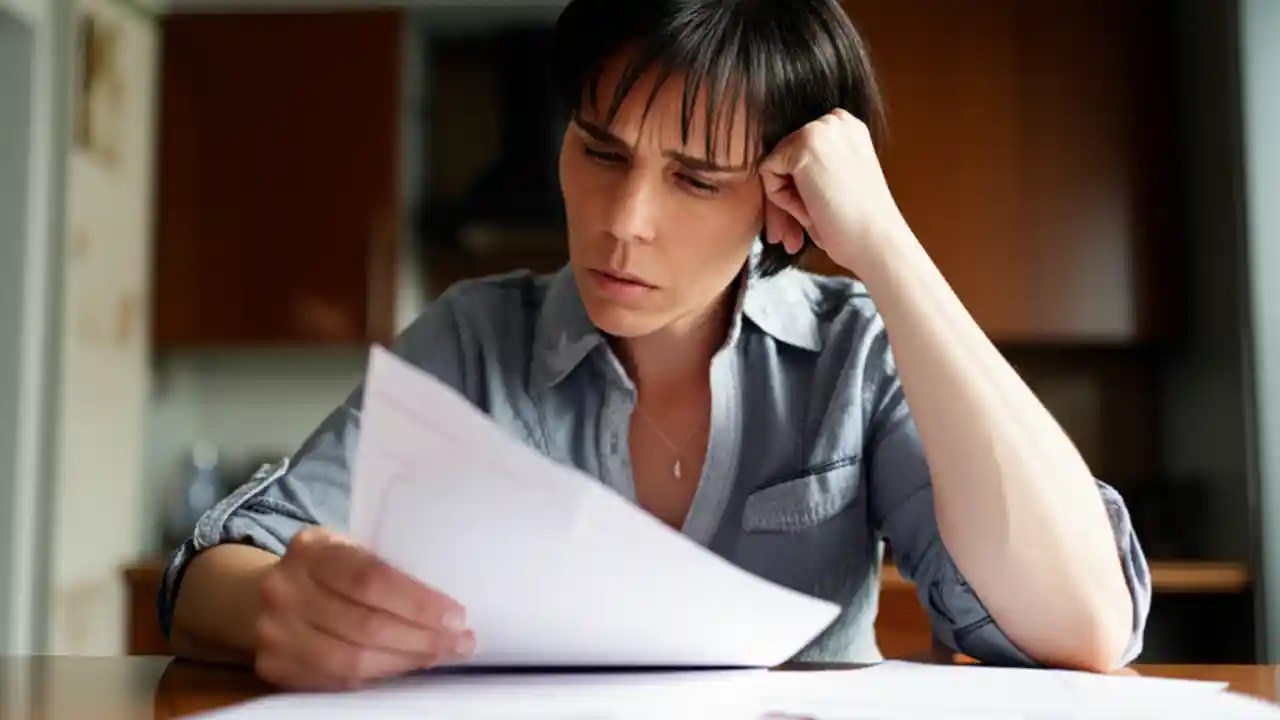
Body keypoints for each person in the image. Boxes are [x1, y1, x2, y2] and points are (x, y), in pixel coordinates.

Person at [161, 0, 1150, 690]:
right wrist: (278, 607)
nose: (622, 221)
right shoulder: (472, 341)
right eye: (600, 153)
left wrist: (885, 246)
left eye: (695, 179)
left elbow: (1085, 629)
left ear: (784, 197)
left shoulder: (854, 358)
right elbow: (211, 572)